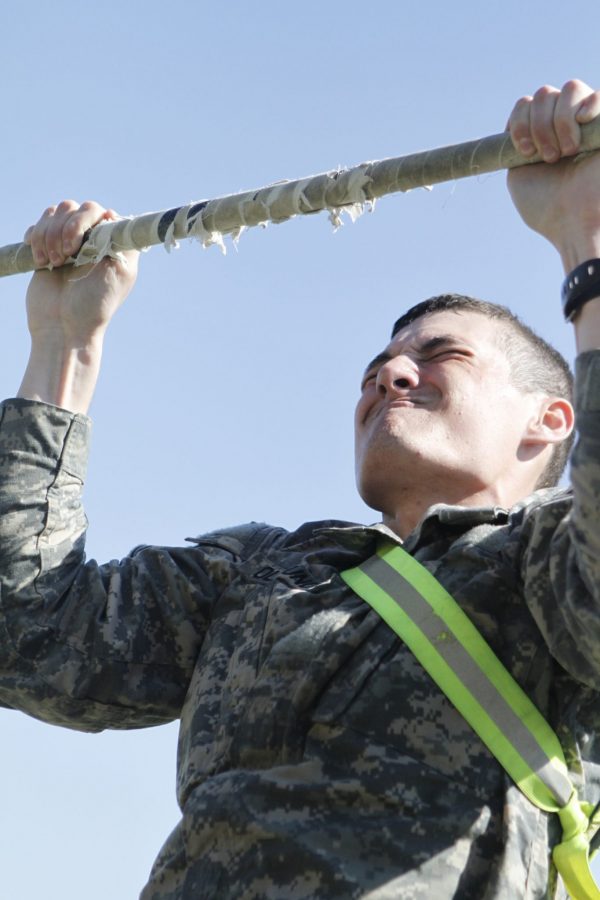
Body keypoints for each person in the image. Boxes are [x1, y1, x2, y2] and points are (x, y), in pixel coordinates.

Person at [0, 79, 599, 900]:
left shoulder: (546, 559)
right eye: (377, 368)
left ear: (551, 421)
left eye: (444, 358)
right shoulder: (264, 569)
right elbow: (28, 637)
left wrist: (585, 238)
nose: (389, 374)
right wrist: (62, 346)